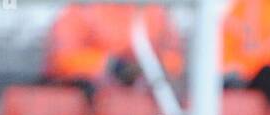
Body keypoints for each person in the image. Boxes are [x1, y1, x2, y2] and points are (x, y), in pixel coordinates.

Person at [45, 3, 182, 88]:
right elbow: (62, 58)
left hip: (149, 99)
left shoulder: (154, 11)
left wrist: (149, 68)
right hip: (92, 99)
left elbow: (175, 60)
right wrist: (112, 65)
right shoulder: (84, 8)